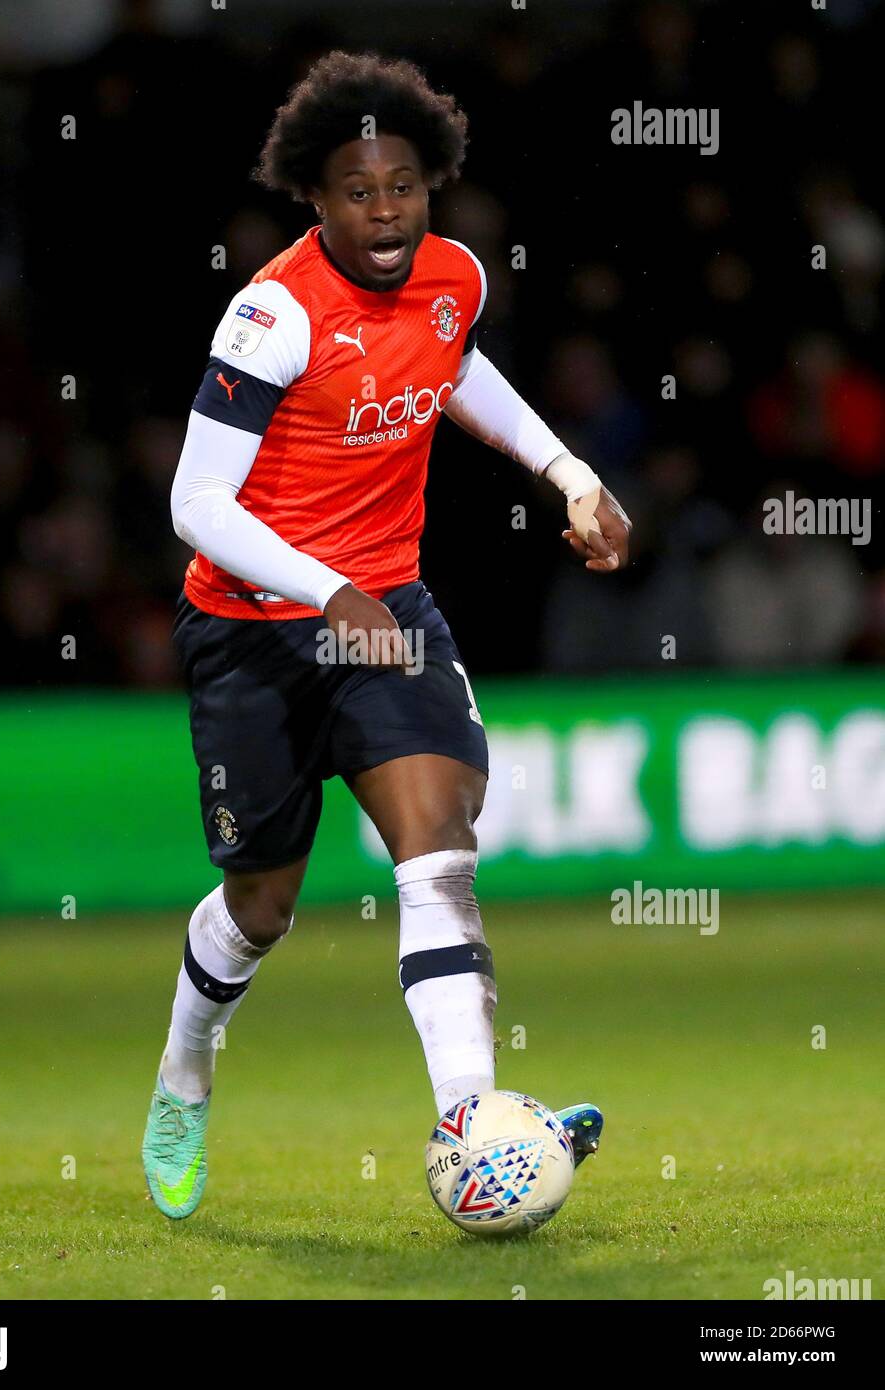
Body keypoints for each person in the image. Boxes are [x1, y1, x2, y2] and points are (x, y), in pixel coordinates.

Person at [143, 50, 631, 1220]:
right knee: (262, 906)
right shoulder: (270, 314)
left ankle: (474, 1123)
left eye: (404, 186)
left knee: (439, 844)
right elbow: (194, 503)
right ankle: (184, 1072)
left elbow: (454, 370)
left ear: (433, 185)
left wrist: (568, 472)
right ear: (313, 199)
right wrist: (324, 590)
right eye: (358, 192)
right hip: (254, 633)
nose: (385, 212)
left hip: (386, 618)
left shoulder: (454, 277)